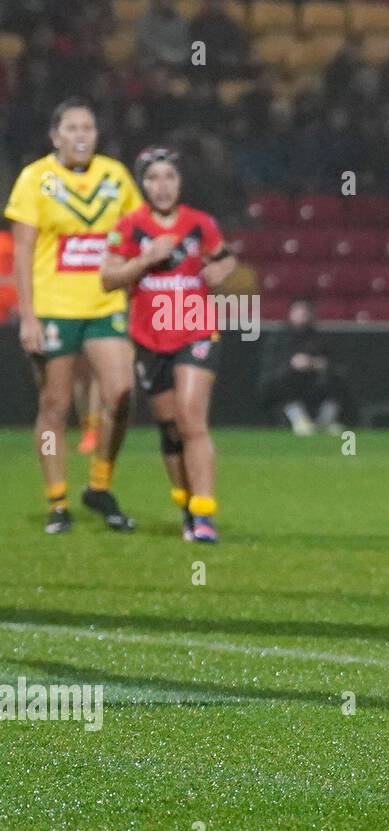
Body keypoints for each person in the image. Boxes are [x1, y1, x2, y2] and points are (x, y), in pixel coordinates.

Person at [4, 97, 143, 533]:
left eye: (89, 128)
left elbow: (138, 233)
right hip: (54, 308)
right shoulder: (35, 179)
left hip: (105, 304)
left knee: (121, 394)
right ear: (55, 136)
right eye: (73, 128)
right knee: (54, 406)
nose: (82, 135)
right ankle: (58, 501)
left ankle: (99, 485)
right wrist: (27, 316)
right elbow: (22, 253)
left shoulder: (115, 177)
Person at [101, 146, 236, 543]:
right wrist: (144, 261)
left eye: (170, 177)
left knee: (191, 417)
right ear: (143, 183)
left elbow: (226, 258)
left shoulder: (200, 223)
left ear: (181, 181)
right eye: (154, 178)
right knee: (171, 427)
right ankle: (186, 506)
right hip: (150, 336)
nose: (163, 186)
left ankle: (205, 513)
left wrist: (221, 271)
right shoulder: (128, 226)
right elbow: (107, 278)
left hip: (195, 328)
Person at [261, 299, 354, 435]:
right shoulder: (279, 338)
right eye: (298, 312)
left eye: (305, 313)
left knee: (336, 380)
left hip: (314, 381)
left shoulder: (319, 337)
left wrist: (316, 363)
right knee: (284, 379)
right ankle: (299, 420)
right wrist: (292, 363)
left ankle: (325, 420)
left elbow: (332, 362)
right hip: (287, 382)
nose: (302, 316)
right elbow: (272, 364)